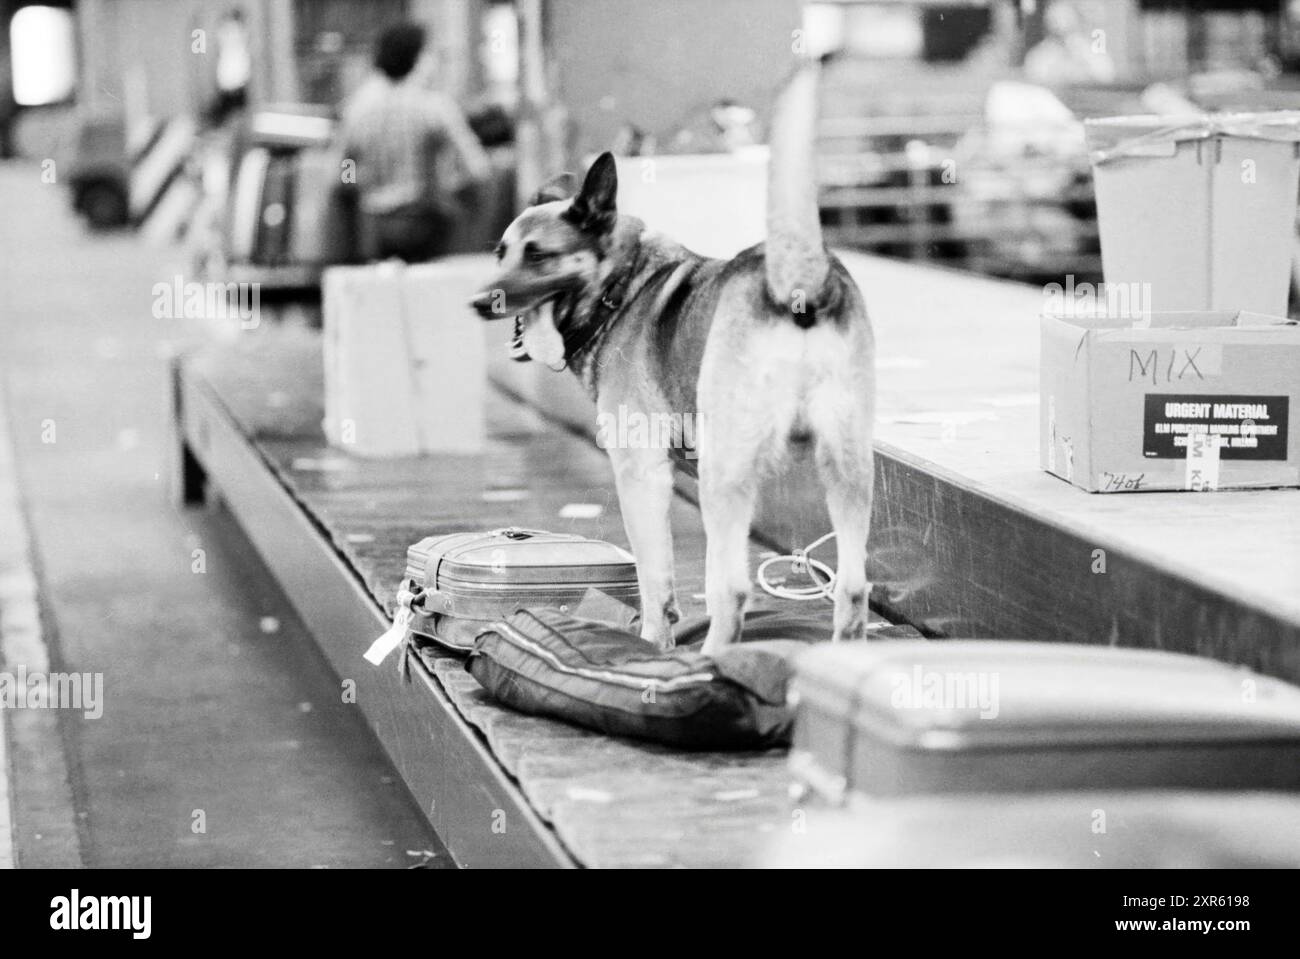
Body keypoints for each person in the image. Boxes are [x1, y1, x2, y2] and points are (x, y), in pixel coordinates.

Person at [337, 22, 490, 262]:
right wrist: (452, 191)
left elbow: (342, 171)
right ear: (417, 59)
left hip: (374, 229)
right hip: (427, 226)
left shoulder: (358, 109)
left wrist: (358, 182)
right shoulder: (434, 107)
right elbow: (476, 169)